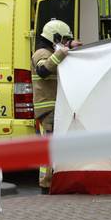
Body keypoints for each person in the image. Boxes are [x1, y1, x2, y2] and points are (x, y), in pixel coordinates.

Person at [32, 19, 81, 193]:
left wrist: (71, 46)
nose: (63, 43)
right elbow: (43, 71)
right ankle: (46, 185)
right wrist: (61, 53)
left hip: (54, 109)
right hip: (47, 110)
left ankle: (52, 182)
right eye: (63, 39)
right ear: (55, 37)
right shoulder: (41, 53)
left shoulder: (50, 51)